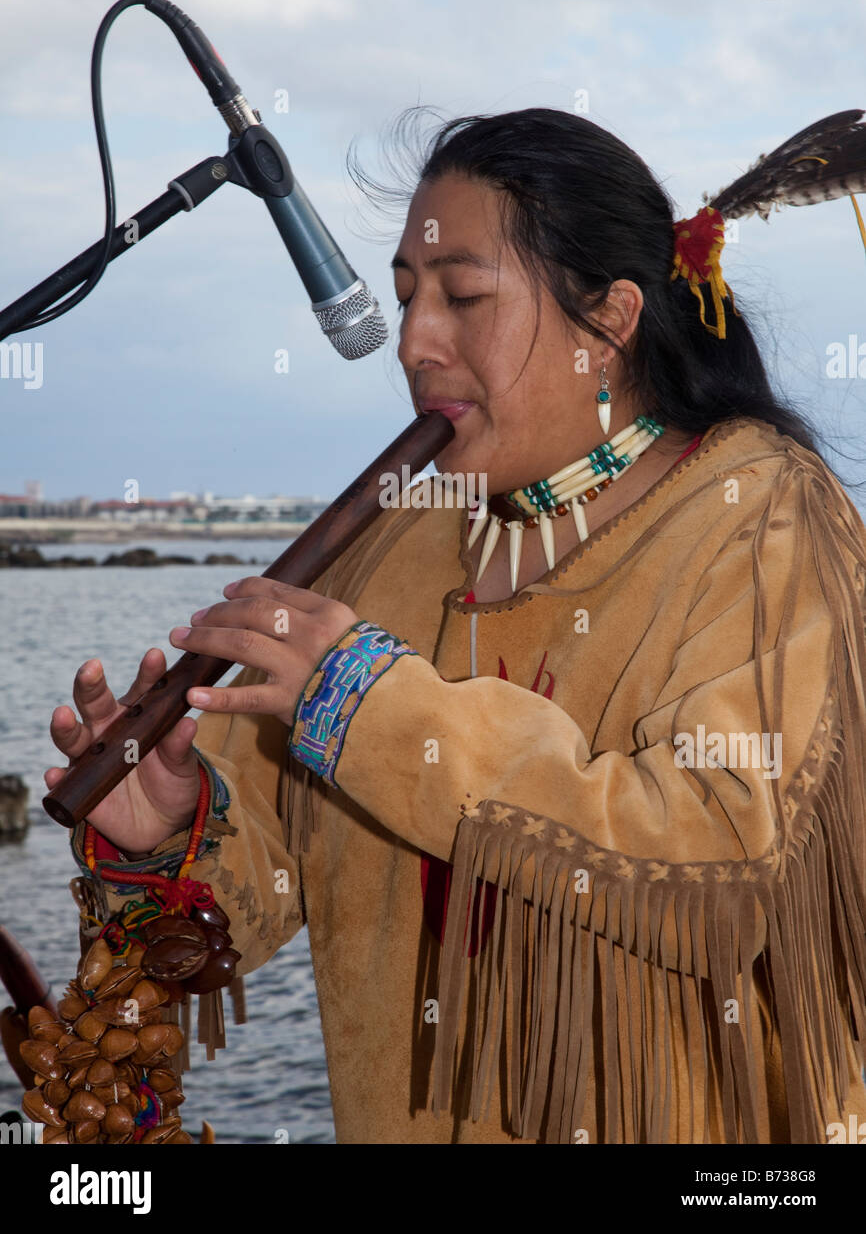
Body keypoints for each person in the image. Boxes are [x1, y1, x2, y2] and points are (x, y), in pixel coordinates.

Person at [46, 108, 866, 1145]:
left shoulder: (758, 517)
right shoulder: (390, 547)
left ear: (608, 321)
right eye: (404, 298)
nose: (415, 342)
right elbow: (245, 904)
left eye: (461, 296)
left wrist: (368, 704)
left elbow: (725, 867)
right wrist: (168, 826)